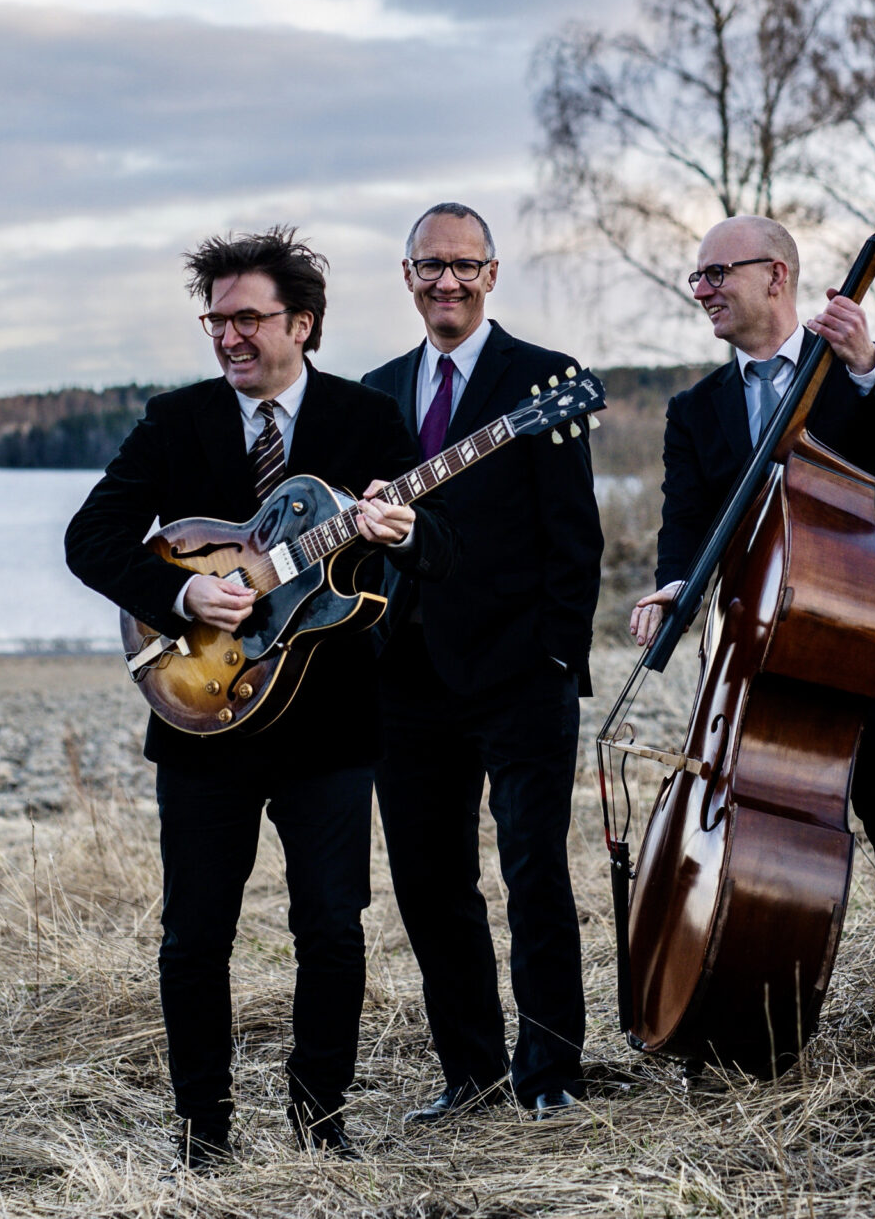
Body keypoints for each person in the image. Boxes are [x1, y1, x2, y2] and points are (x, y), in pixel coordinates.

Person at [64, 227, 450, 1168]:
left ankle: (322, 1122)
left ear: (302, 323)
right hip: (200, 715)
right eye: (216, 319)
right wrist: (181, 593)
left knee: (330, 926)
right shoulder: (174, 420)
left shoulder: (368, 420)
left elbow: (437, 556)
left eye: (247, 318)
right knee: (196, 934)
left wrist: (400, 537)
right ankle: (204, 1134)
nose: (228, 336)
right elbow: (89, 540)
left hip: (331, 724)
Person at [628, 216, 875, 1054]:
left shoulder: (845, 368)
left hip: (857, 623)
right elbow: (685, 523)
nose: (704, 289)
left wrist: (869, 363)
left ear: (777, 275)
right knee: (753, 812)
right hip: (752, 637)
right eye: (699, 276)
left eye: (718, 272)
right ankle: (746, 993)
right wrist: (674, 581)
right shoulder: (695, 409)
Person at [360, 203, 603, 1124]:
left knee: (534, 867)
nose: (447, 281)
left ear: (493, 274)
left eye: (465, 265)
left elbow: (574, 538)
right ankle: (472, 1071)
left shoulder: (543, 380)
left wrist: (555, 655)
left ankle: (551, 1071)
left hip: (518, 672)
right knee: (428, 880)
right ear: (408, 276)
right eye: (430, 265)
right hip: (401, 677)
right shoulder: (375, 393)